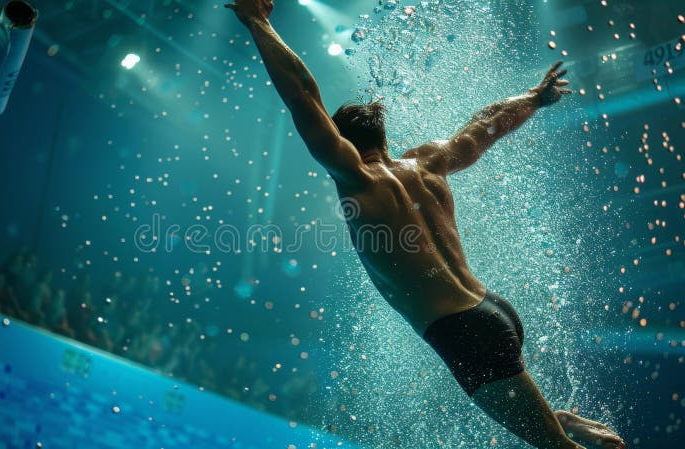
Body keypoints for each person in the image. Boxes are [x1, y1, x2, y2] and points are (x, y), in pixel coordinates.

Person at [225, 2, 624, 449]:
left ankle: (567, 433)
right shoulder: (429, 164)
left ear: (341, 144)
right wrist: (534, 97)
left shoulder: (355, 178)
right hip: (491, 309)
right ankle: (560, 420)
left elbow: (301, 95)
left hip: (462, 331)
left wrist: (257, 22)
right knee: (540, 427)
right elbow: (482, 128)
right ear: (383, 138)